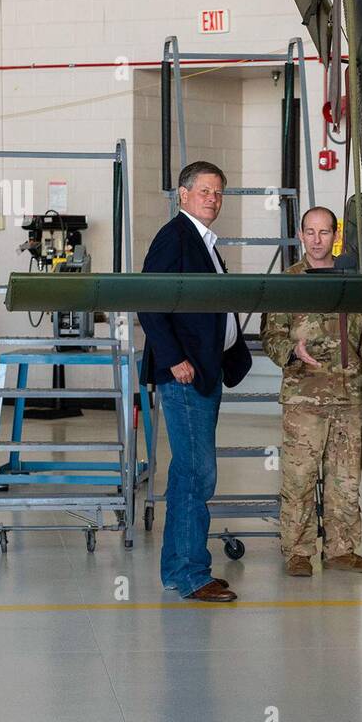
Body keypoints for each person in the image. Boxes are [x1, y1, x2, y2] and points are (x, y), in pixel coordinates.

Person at [138, 161, 252, 602]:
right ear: (182, 195)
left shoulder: (204, 243)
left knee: (190, 472)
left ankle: (179, 569)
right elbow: (149, 301)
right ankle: (190, 574)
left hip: (204, 370)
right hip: (184, 374)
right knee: (196, 473)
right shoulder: (175, 237)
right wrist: (174, 359)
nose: (212, 198)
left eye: (218, 192)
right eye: (204, 190)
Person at [261, 207, 362, 576]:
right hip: (304, 399)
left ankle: (340, 550)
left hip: (348, 398)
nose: (317, 239)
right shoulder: (287, 282)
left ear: (336, 236)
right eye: (310, 232)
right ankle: (298, 552)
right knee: (298, 479)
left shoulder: (353, 282)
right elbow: (271, 336)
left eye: (325, 232)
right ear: (301, 235)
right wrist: (290, 351)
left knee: (345, 480)